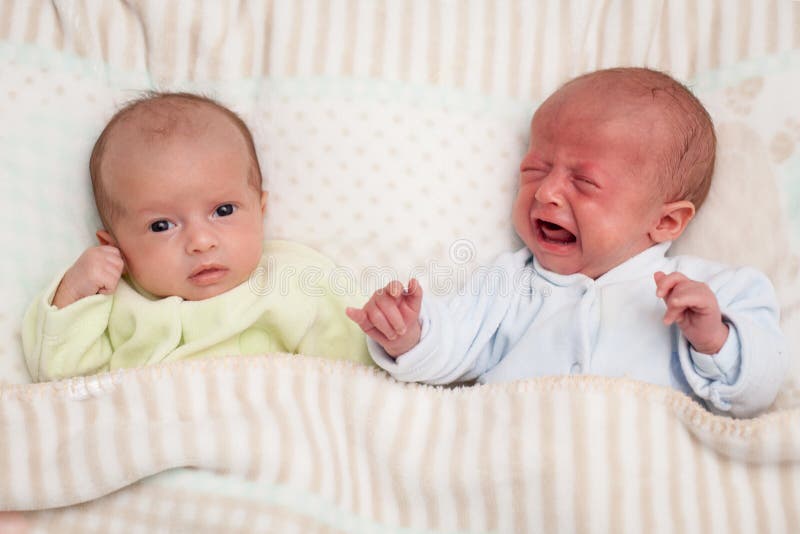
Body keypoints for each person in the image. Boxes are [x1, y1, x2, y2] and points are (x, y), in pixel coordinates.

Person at [346, 67, 787, 418]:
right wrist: (408, 335)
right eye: (535, 170)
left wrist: (714, 340)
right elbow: (452, 347)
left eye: (584, 181)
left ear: (666, 220)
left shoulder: (710, 295)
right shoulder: (508, 284)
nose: (546, 193)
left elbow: (759, 391)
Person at [23, 92, 370, 382]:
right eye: (161, 226)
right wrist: (74, 295)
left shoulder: (293, 279)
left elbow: (356, 369)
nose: (201, 242)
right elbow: (64, 386)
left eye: (223, 211)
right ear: (114, 247)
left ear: (260, 210)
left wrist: (396, 338)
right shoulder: (118, 307)